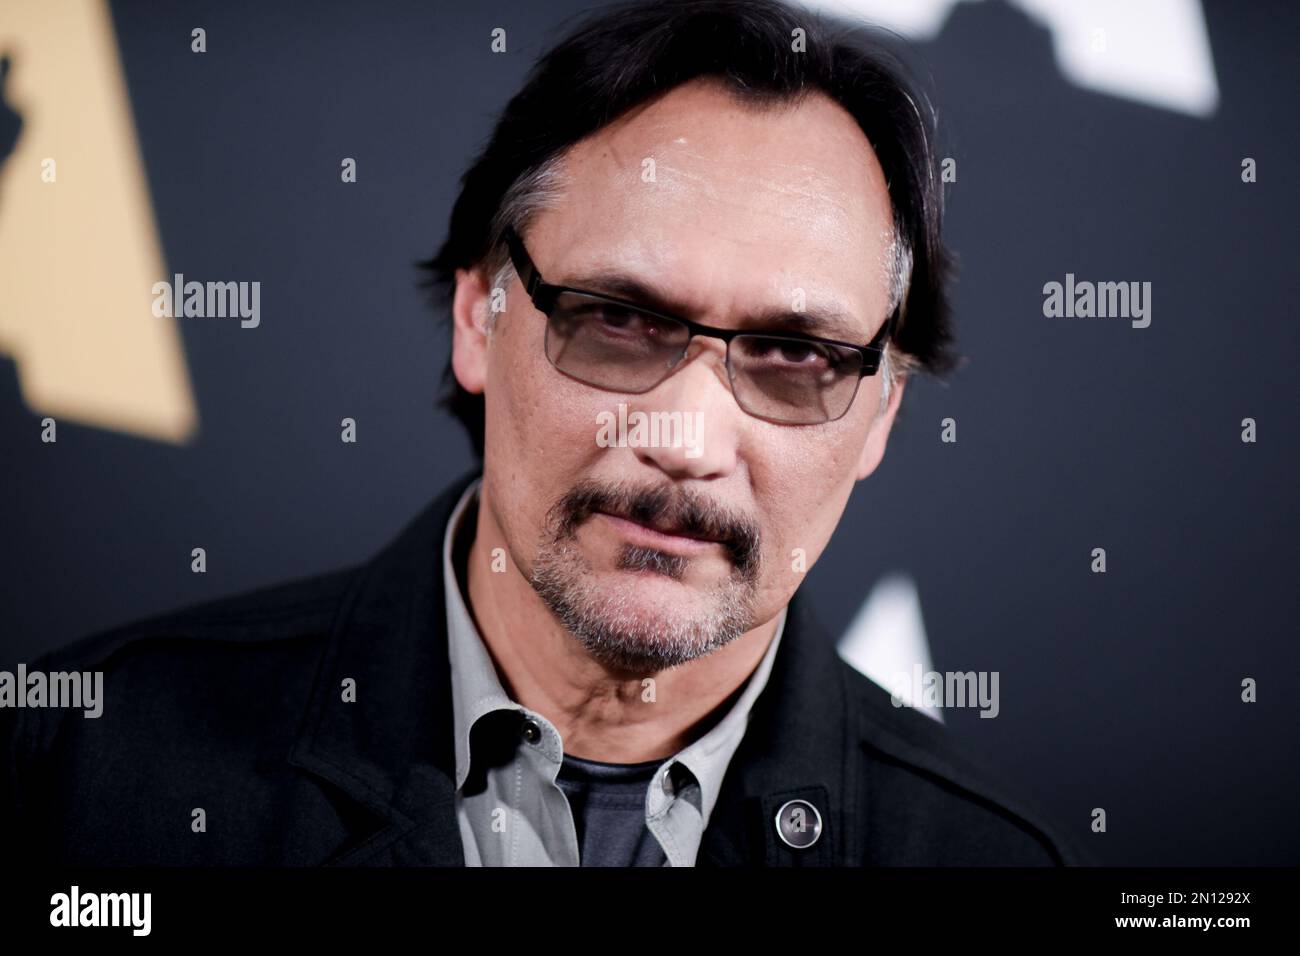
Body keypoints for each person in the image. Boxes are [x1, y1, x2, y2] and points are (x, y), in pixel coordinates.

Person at [1, 0, 1087, 866]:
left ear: (880, 415)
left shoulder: (982, 852)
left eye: (796, 355)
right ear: (481, 316)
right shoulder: (81, 769)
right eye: (619, 318)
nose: (685, 437)